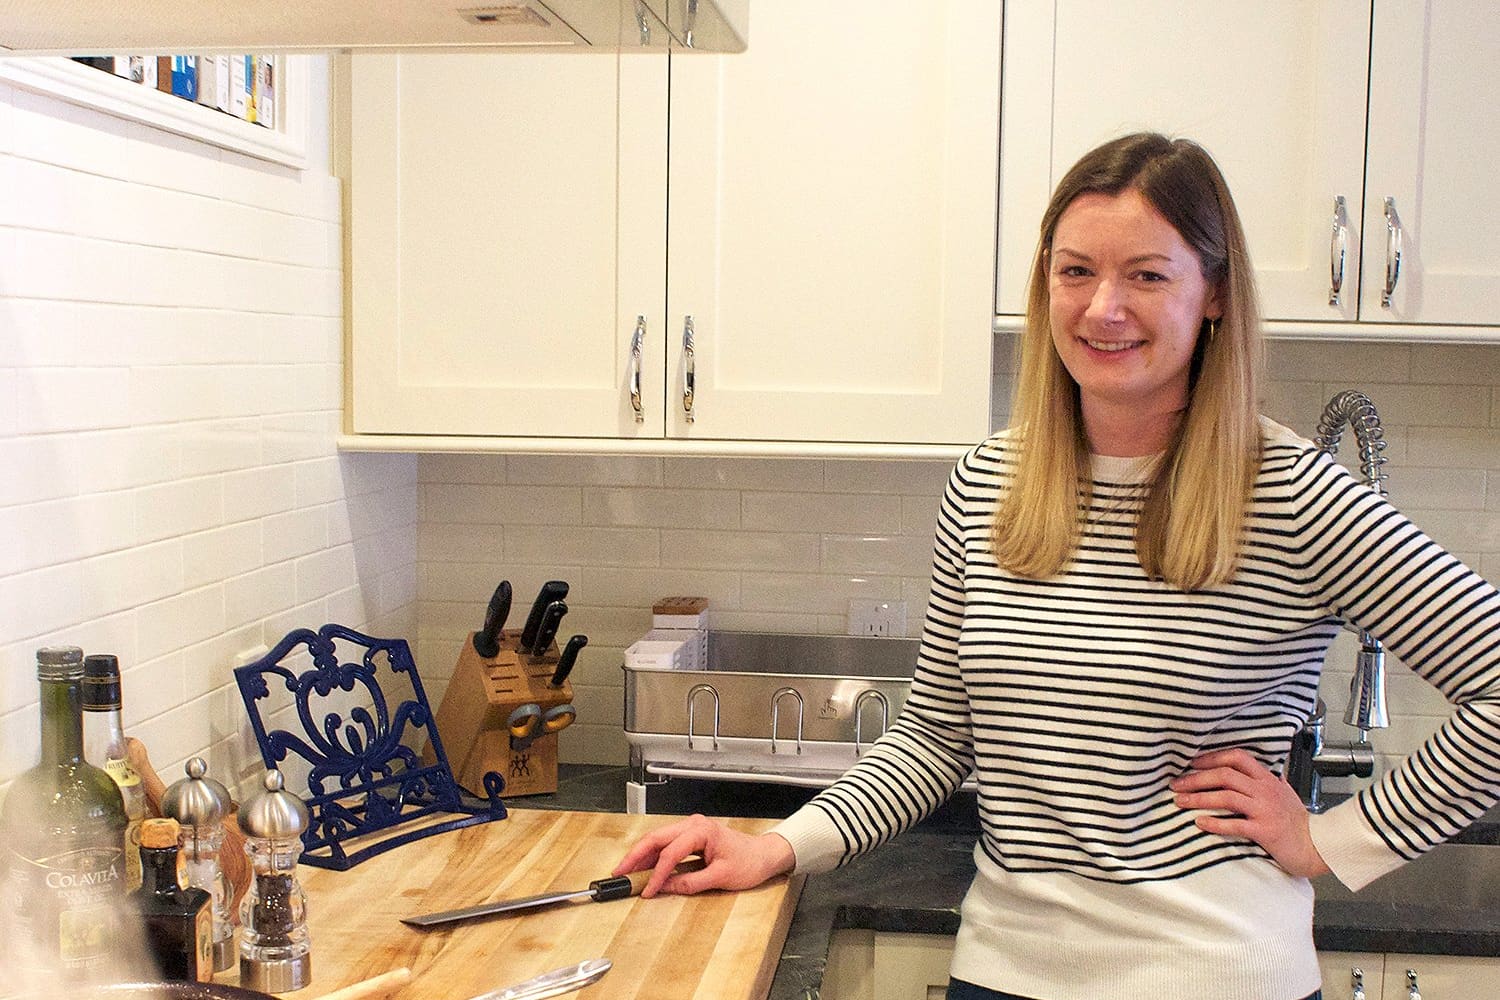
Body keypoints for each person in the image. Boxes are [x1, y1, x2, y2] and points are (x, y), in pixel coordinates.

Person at [612, 132, 1500, 1000]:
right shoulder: (992, 481)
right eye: (1076, 271)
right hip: (1004, 968)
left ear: (1215, 293)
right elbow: (935, 737)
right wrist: (777, 845)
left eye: (1147, 275)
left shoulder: (1290, 491)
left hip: (1212, 975)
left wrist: (1332, 840)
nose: (1102, 308)